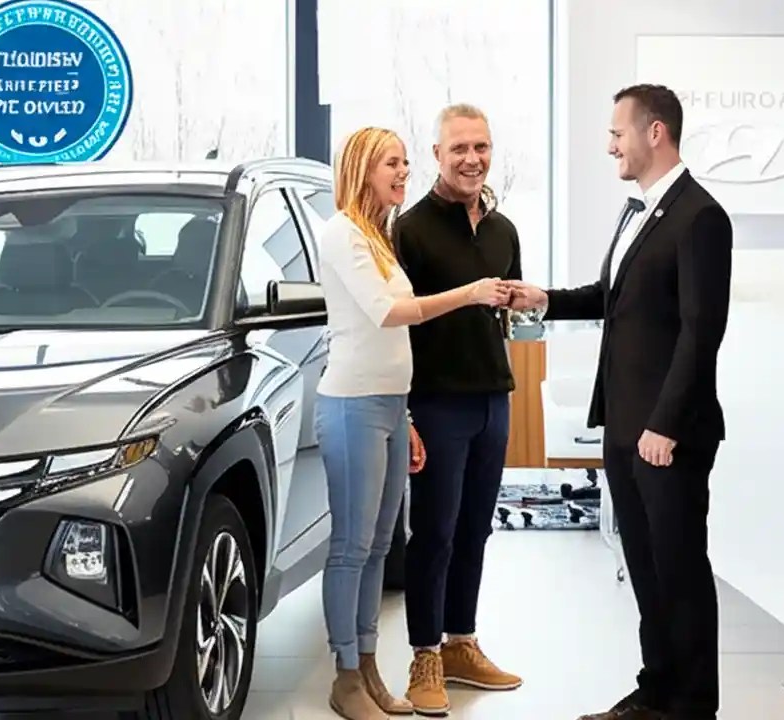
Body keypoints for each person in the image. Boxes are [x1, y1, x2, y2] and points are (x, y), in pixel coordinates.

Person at [507, 84, 733, 720]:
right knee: (646, 569)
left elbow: (701, 330)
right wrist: (544, 298)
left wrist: (664, 424)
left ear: (654, 133)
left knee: (680, 571)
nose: (611, 143)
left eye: (618, 132)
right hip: (626, 429)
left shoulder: (701, 216)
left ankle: (691, 705)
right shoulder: (637, 212)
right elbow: (611, 299)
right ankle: (656, 689)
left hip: (668, 434)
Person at [313, 126, 511, 719]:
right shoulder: (342, 232)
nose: (402, 173)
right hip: (351, 404)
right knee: (351, 548)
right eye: (391, 164)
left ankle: (370, 666)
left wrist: (404, 413)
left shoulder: (375, 236)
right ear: (361, 169)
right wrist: (469, 292)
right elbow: (389, 313)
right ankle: (345, 674)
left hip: (390, 406)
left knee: (378, 547)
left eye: (403, 163)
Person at [391, 103, 524, 717]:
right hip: (436, 402)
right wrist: (408, 413)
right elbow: (398, 326)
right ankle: (425, 655)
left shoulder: (503, 231)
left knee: (476, 526)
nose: (473, 159)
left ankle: (462, 642)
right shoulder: (409, 229)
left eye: (483, 147)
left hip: (492, 399)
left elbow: (507, 316)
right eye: (460, 149)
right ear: (438, 155)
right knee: (435, 533)